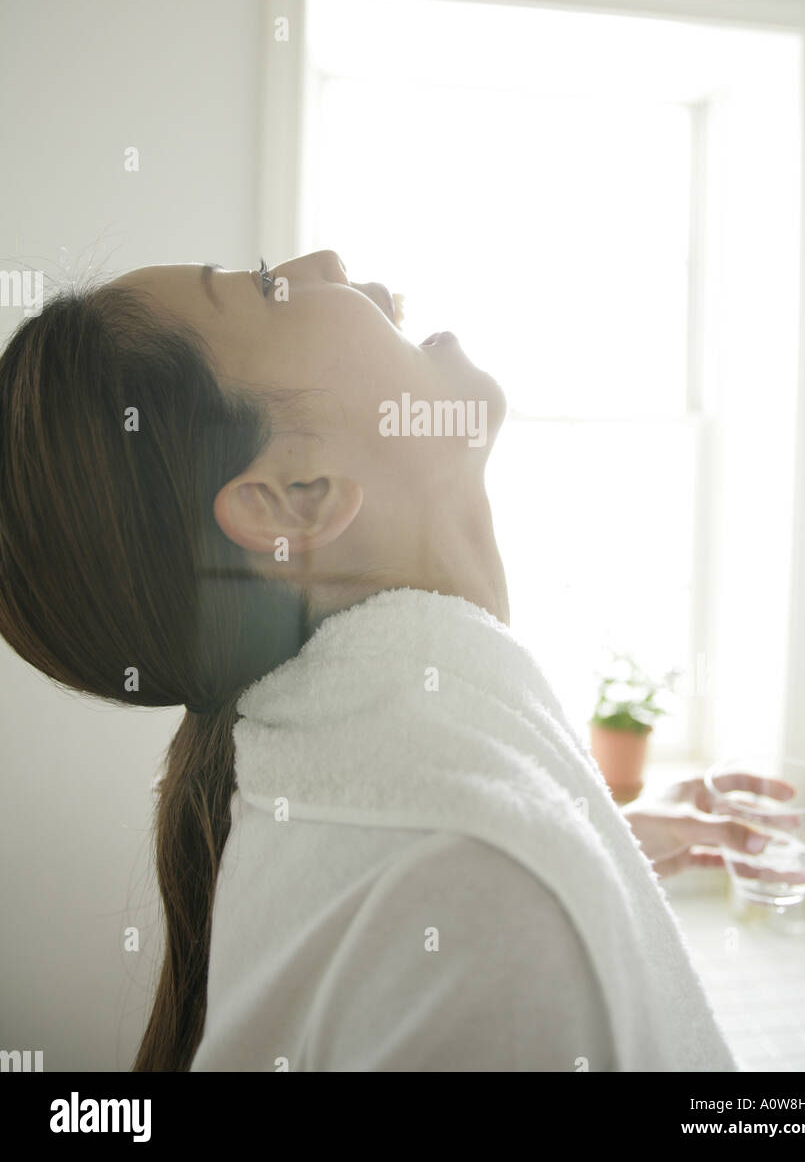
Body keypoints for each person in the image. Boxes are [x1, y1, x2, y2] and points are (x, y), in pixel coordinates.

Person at [0, 249, 760, 1072]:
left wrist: (593, 838)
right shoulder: (480, 886)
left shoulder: (452, 851)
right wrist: (529, 870)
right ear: (294, 499)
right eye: (264, 287)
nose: (324, 261)